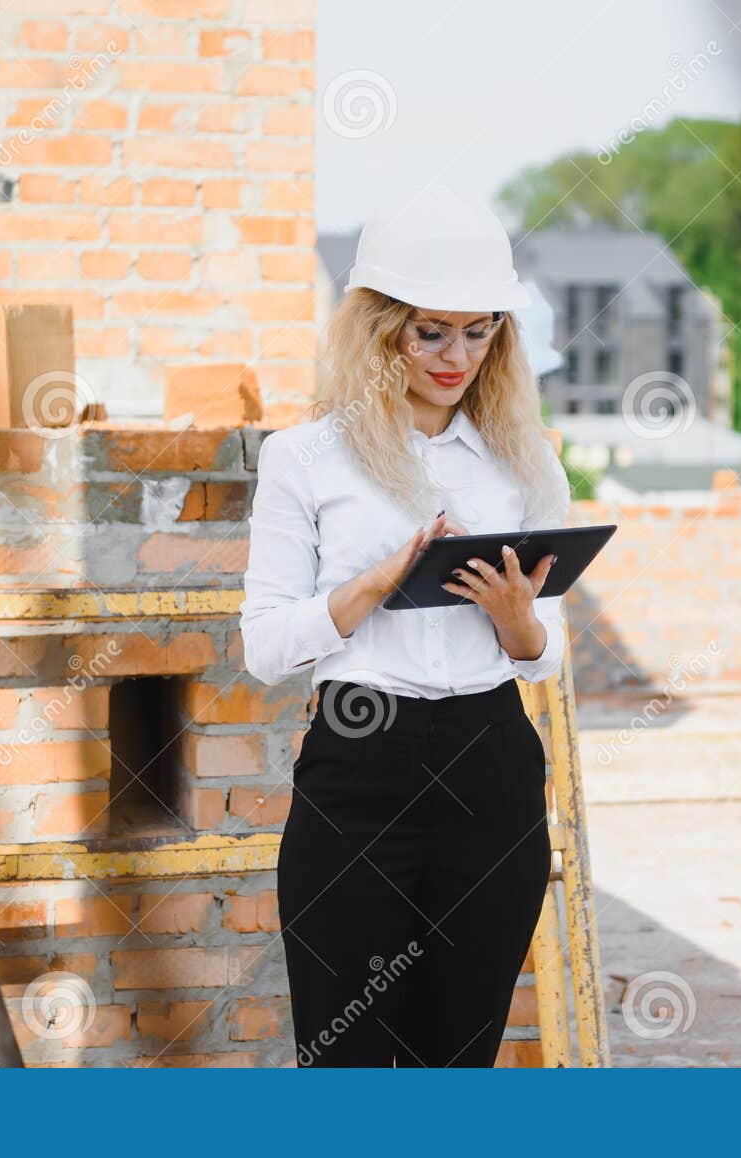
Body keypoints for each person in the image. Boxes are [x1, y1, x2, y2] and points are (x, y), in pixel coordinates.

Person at [239, 183, 572, 1067]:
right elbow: (265, 645)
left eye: (480, 330)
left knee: (456, 1058)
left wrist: (516, 621)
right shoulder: (304, 458)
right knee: (343, 1061)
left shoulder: (525, 461)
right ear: (378, 326)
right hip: (361, 759)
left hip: (490, 759)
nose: (457, 354)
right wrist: (373, 584)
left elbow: (549, 655)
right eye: (431, 331)